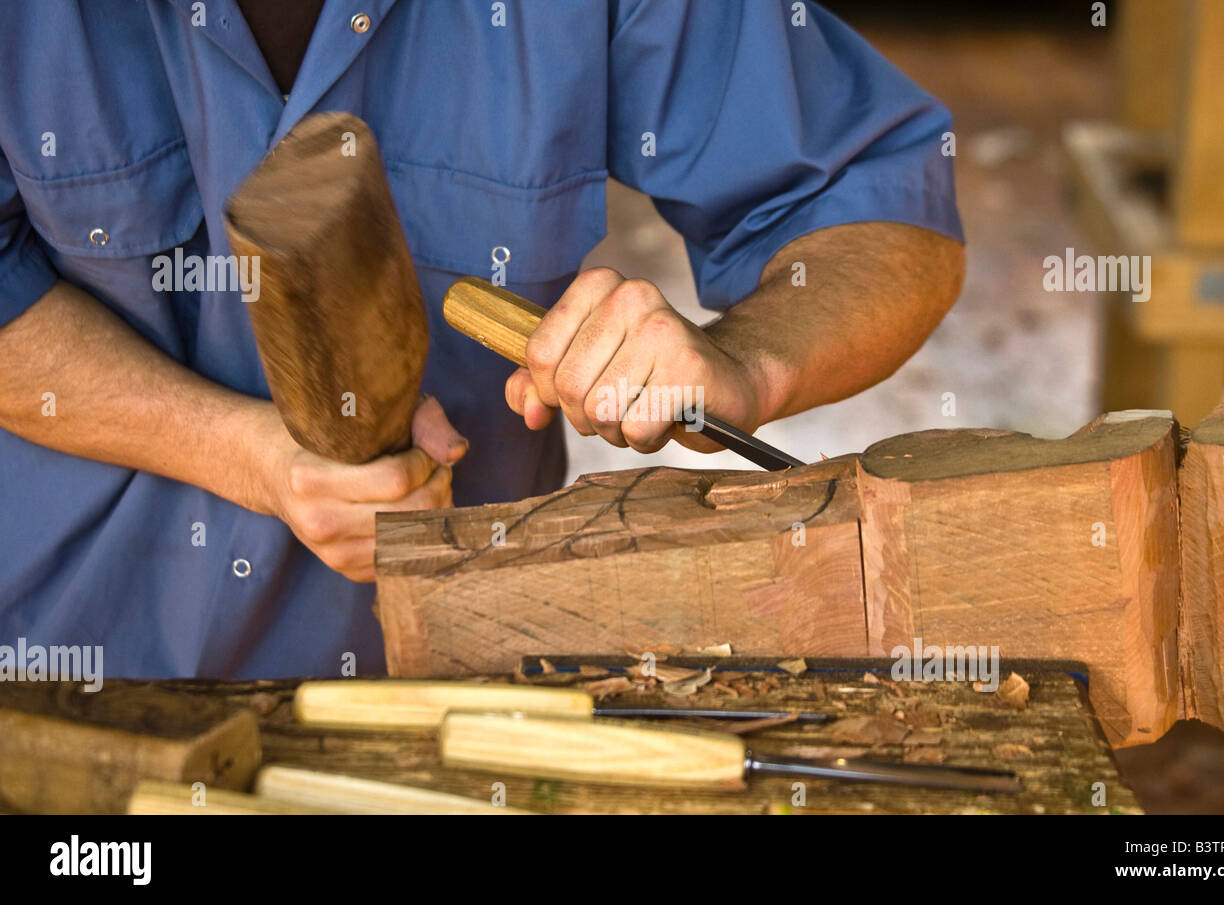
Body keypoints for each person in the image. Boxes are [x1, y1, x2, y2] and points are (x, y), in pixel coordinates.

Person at [0, 1, 963, 678]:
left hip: (470, 673)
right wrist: (243, 453)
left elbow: (877, 192)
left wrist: (744, 361)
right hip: (74, 665)